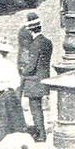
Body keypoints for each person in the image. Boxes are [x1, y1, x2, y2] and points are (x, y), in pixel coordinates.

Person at [18, 13, 53, 142]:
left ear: (30, 30)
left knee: (35, 109)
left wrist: (23, 72)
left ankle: (40, 134)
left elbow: (31, 66)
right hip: (44, 78)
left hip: (34, 82)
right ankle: (41, 132)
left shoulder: (34, 44)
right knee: (38, 108)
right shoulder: (48, 42)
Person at [0, 39, 25, 144]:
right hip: (12, 94)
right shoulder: (11, 64)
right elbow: (17, 82)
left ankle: (1, 142)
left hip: (1, 95)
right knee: (14, 119)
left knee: (1, 121)